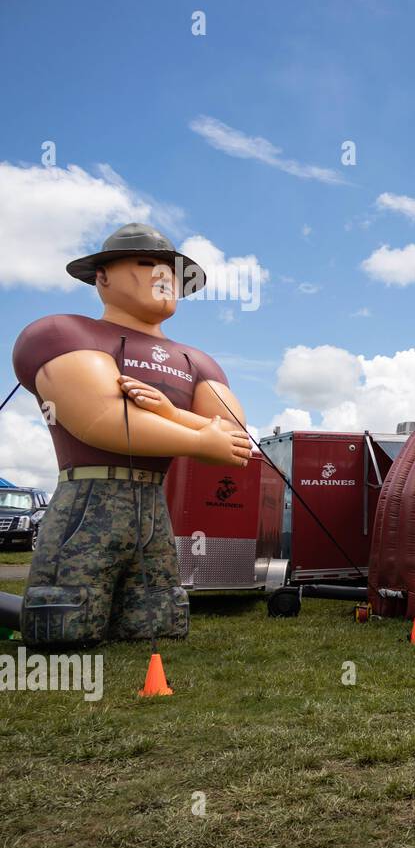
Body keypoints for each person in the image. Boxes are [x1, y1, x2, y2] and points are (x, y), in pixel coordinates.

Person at [11, 223, 252, 646]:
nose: (163, 275)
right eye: (145, 263)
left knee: (156, 621)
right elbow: (103, 419)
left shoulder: (196, 360)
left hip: (153, 505)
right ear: (102, 277)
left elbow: (233, 439)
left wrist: (169, 412)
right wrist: (197, 437)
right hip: (88, 501)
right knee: (65, 619)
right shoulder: (64, 333)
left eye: (171, 270)